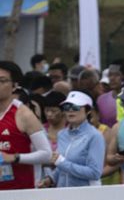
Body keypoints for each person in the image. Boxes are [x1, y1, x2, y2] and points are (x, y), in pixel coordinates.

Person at [0, 61, 54, 190]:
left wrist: (14, 157)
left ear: (14, 86)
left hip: (21, 192)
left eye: (2, 81)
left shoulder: (24, 115)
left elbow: (47, 154)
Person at [37, 91, 104, 188]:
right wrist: (51, 179)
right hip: (63, 192)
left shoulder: (95, 136)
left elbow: (95, 173)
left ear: (88, 110)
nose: (70, 110)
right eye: (67, 107)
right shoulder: (62, 134)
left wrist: (62, 163)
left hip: (86, 193)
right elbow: (61, 167)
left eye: (76, 107)